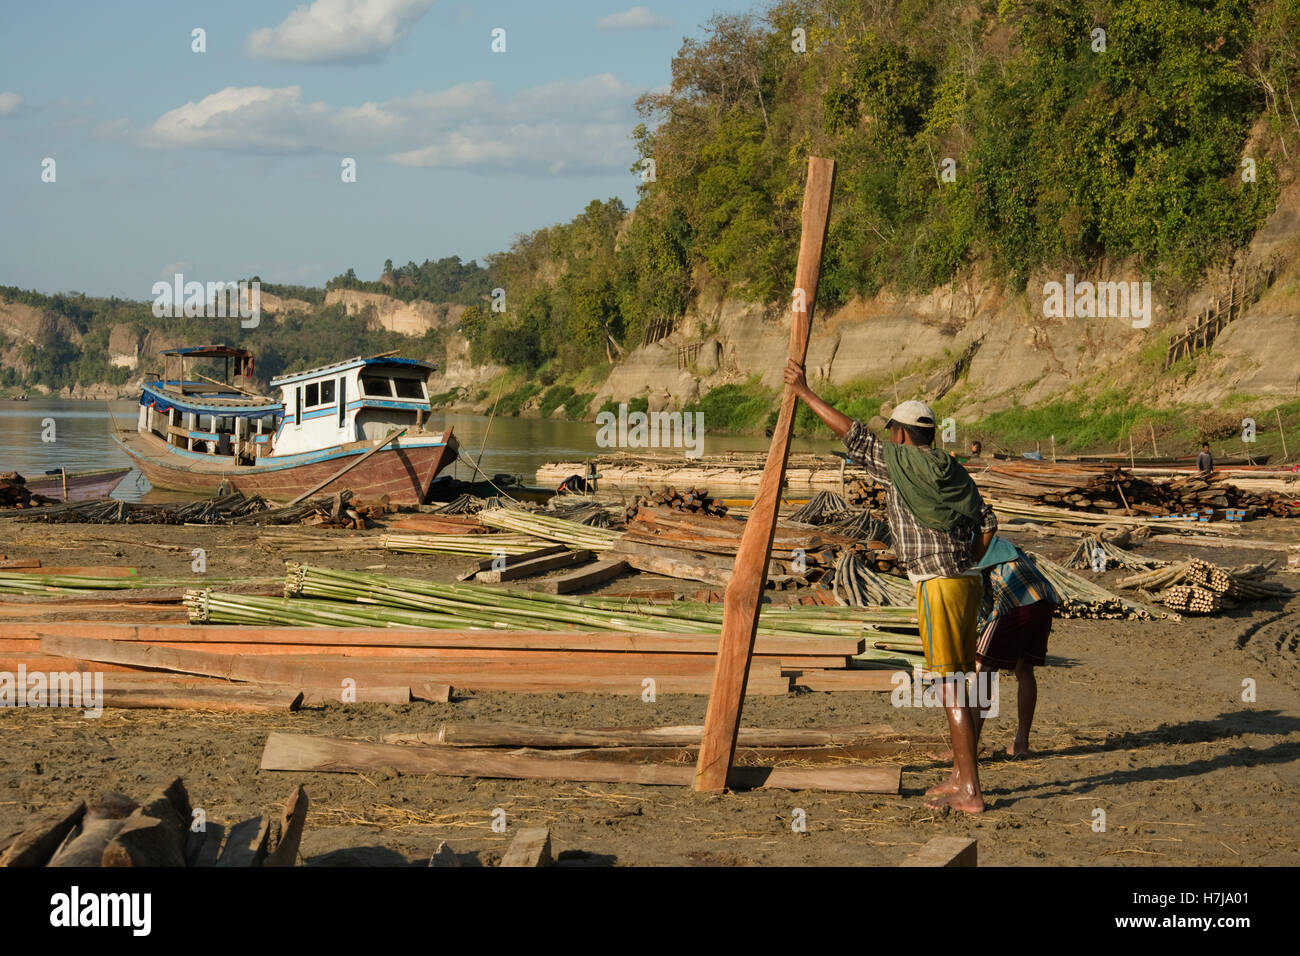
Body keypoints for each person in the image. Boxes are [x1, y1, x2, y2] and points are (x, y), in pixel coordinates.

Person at [784, 360, 997, 813]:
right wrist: (968, 561)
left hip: (938, 585)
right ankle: (960, 774)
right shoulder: (954, 471)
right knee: (965, 678)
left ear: (900, 435)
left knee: (952, 685)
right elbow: (988, 521)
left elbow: (851, 433)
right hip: (967, 581)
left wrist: (803, 391)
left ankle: (971, 792)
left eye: (892, 433)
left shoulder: (896, 464)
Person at [971, 537, 1061, 756]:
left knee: (983, 668)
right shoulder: (1003, 544)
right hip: (1044, 598)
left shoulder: (973, 549)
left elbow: (981, 600)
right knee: (1024, 668)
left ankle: (968, 747)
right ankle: (1021, 743)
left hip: (1017, 601)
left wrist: (976, 635)